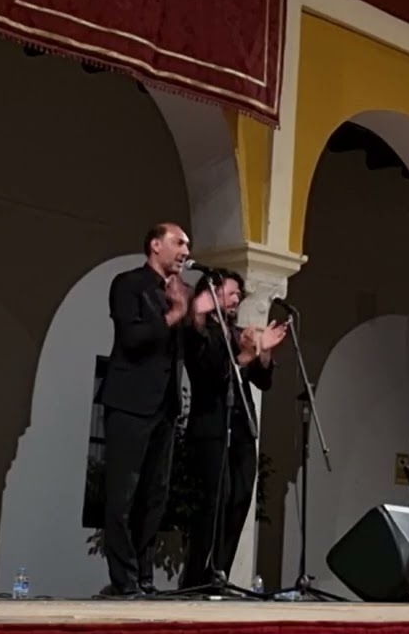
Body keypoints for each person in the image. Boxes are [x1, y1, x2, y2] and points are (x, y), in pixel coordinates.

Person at [98, 222, 205, 598]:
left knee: (154, 497)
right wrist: (175, 313)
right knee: (122, 494)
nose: (185, 251)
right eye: (179, 243)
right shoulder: (129, 284)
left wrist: (196, 316)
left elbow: (190, 350)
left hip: (165, 407)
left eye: (187, 245)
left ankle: (143, 576)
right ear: (155, 245)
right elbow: (132, 339)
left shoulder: (179, 292)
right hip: (130, 402)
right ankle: (123, 580)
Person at [180, 269, 288, 588]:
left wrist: (264, 351)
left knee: (240, 498)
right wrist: (245, 355)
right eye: (232, 291)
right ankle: (195, 578)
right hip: (211, 428)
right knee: (215, 501)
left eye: (240, 293)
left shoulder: (238, 332)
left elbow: (262, 381)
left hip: (242, 429)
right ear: (211, 291)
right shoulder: (201, 332)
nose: (237, 297)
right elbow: (209, 374)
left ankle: (219, 573)